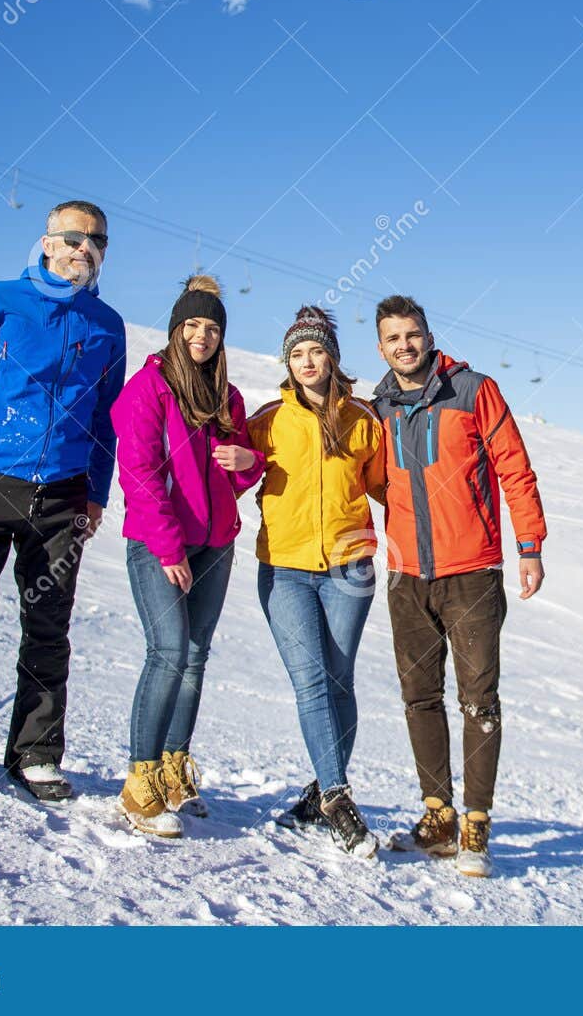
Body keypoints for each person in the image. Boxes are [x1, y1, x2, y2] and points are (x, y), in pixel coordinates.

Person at [0, 200, 126, 802]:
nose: (85, 249)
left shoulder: (106, 326)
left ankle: (35, 753)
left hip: (62, 496)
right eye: (75, 238)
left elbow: (105, 424)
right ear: (47, 243)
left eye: (97, 242)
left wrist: (93, 494)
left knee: (48, 627)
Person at [370, 295, 547, 877]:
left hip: (471, 573)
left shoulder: (472, 390)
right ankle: (437, 815)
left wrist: (529, 547)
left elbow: (513, 466)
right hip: (407, 578)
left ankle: (476, 823)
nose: (405, 345)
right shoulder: (381, 407)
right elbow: (381, 483)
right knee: (419, 698)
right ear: (381, 346)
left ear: (428, 335)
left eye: (412, 334)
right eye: (393, 338)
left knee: (479, 700)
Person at [110, 275, 264, 838]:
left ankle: (175, 767)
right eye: (193, 325)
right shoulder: (148, 388)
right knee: (168, 650)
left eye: (213, 327)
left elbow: (243, 472)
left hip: (215, 543)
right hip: (159, 543)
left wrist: (246, 458)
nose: (203, 335)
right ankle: (140, 780)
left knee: (196, 655)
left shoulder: (227, 397)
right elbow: (140, 474)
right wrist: (169, 546)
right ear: (176, 329)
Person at [247, 305, 387, 858]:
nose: (307, 362)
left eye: (316, 351)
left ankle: (316, 795)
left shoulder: (361, 421)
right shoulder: (268, 421)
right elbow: (226, 477)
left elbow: (385, 488)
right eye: (297, 354)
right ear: (288, 362)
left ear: (332, 357)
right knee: (311, 682)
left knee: (339, 683)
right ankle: (336, 795)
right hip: (285, 567)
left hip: (350, 569)